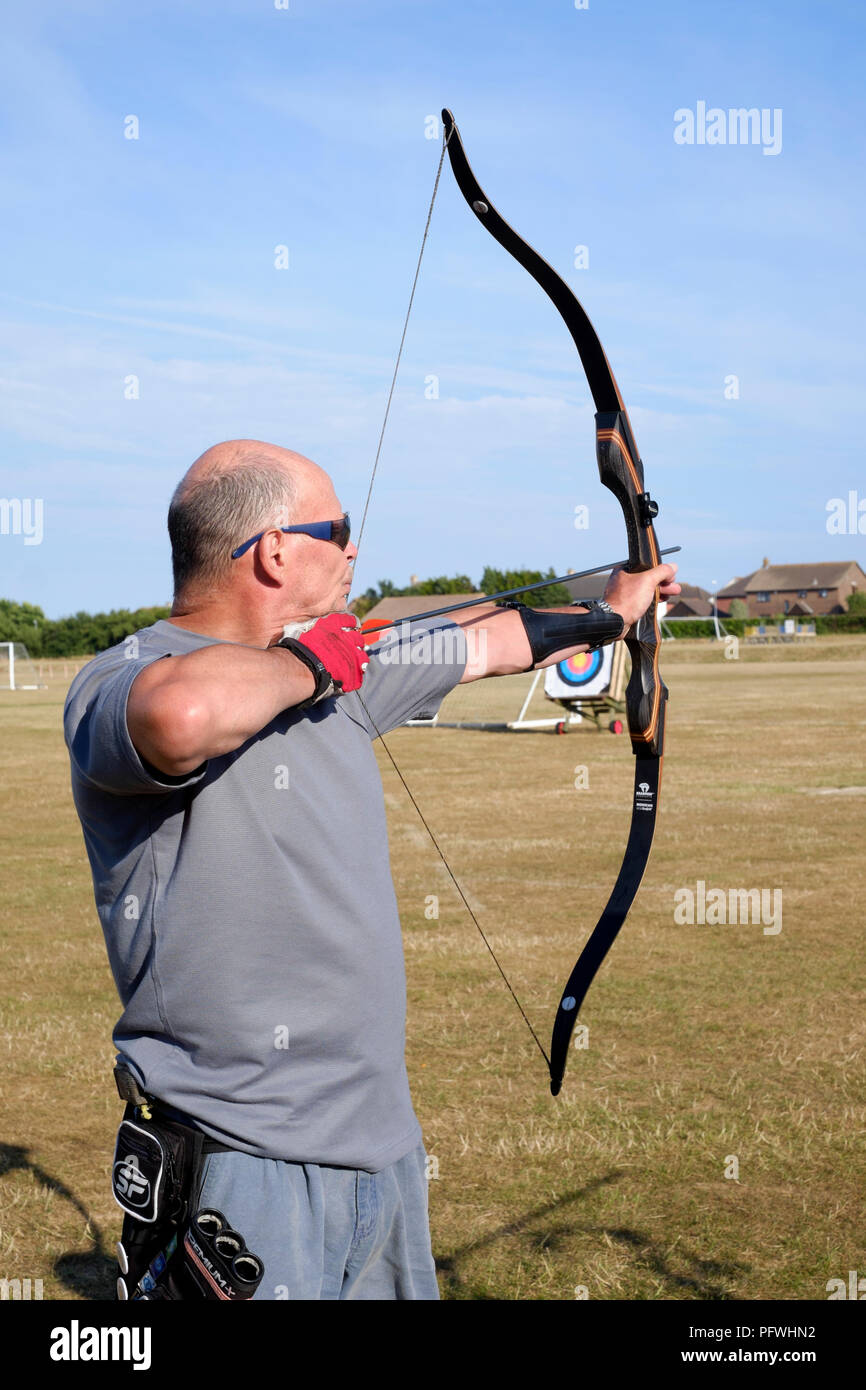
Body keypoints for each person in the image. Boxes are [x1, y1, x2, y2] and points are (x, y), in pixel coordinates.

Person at [63, 438, 679, 1300]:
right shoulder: (120, 679)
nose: (355, 551)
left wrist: (612, 611)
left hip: (382, 1150)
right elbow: (183, 716)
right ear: (275, 550)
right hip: (239, 1160)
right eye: (338, 530)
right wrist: (313, 663)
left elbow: (490, 641)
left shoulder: (342, 669)